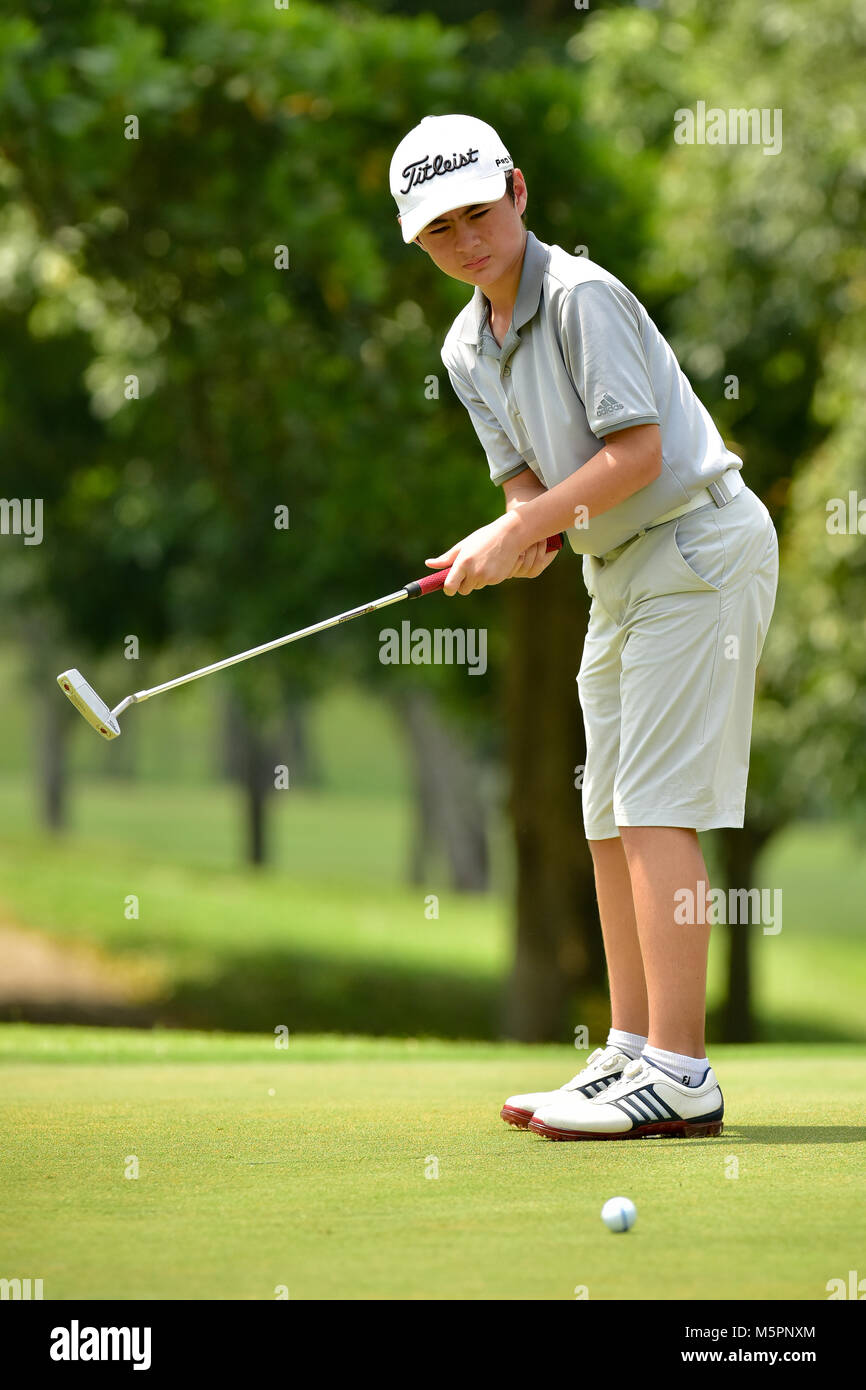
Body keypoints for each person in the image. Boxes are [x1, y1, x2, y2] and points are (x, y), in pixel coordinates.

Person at [389, 114, 779, 1140]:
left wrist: (515, 525)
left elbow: (637, 456)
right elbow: (541, 502)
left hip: (695, 542)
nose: (466, 241)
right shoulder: (465, 345)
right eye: (439, 232)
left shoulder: (579, 298)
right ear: (417, 242)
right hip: (618, 568)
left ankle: (681, 1071)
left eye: (477, 212)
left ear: (516, 190)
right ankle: (631, 1048)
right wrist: (506, 545)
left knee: (652, 805)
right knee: (604, 810)